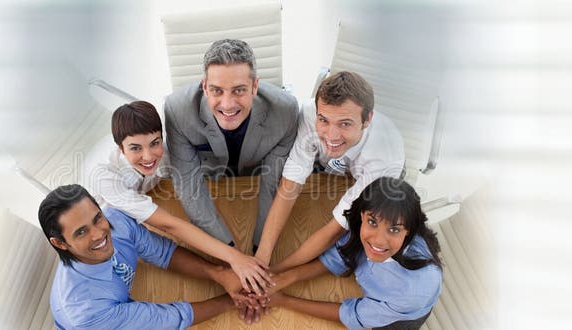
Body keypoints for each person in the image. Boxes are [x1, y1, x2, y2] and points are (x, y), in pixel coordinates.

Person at [84, 100, 272, 295]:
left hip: (145, 191)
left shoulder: (167, 150)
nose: (148, 156)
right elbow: (169, 225)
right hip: (106, 212)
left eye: (154, 143)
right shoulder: (104, 176)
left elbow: (197, 192)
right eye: (135, 148)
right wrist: (236, 258)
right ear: (121, 149)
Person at [39, 184, 258, 330]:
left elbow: (162, 252)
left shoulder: (116, 219)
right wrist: (233, 301)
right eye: (81, 232)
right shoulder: (85, 314)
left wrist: (220, 274)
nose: (99, 234)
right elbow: (168, 319)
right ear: (60, 243)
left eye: (97, 218)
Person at [255, 71, 407, 269]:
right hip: (331, 170)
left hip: (374, 177)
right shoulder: (310, 112)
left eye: (345, 123)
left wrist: (275, 271)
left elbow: (336, 228)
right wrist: (261, 260)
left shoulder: (384, 162)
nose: (332, 136)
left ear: (367, 119)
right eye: (324, 120)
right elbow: (290, 184)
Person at [250, 177, 442, 330]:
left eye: (394, 230)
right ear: (362, 215)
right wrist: (284, 278)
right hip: (376, 289)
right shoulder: (361, 225)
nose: (378, 240)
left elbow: (352, 315)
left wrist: (283, 300)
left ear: (409, 230)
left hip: (396, 321)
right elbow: (338, 257)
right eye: (373, 222)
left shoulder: (413, 291)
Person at [164, 39, 300, 251]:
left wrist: (258, 249)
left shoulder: (285, 111)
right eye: (217, 90)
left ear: (255, 86)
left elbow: (272, 185)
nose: (227, 104)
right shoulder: (177, 110)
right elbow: (190, 187)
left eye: (238, 90)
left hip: (255, 184)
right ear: (205, 88)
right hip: (213, 188)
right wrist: (230, 252)